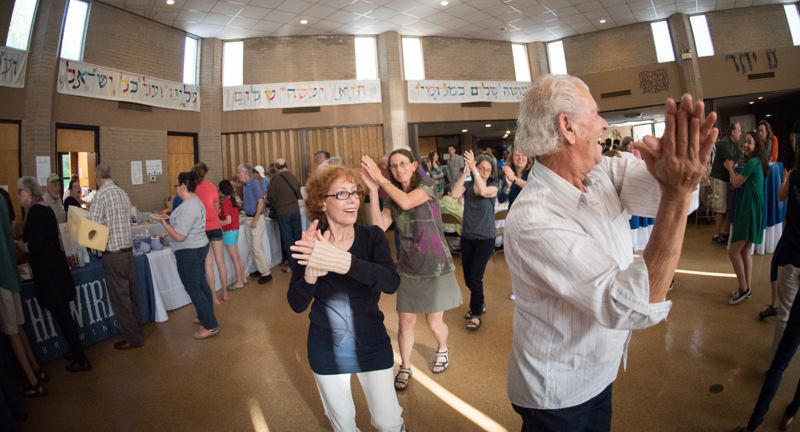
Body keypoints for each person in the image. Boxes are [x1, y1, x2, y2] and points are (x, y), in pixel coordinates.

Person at [506, 74, 718, 431]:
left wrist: (679, 175)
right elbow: (628, 303)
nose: (605, 124)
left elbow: (663, 196)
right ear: (567, 128)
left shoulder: (601, 172)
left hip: (600, 370)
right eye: (596, 114)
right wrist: (677, 191)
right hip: (557, 391)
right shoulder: (533, 220)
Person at [287, 166, 406, 432]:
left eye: (355, 192)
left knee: (389, 421)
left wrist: (343, 261)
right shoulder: (308, 244)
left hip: (372, 342)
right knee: (343, 424)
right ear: (321, 202)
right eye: (342, 193)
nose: (353, 199)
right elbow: (296, 304)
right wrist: (310, 275)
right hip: (326, 347)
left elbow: (390, 283)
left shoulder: (372, 237)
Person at [361, 150, 462, 391]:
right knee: (405, 323)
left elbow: (407, 201)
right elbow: (378, 226)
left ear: (414, 165)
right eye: (393, 166)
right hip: (408, 267)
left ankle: (442, 348)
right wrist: (374, 191)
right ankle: (405, 366)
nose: (398, 169)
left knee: (434, 322)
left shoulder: (427, 185)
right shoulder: (391, 197)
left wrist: (380, 178)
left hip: (435, 264)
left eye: (403, 163)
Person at [731, 164, 800, 432]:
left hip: (792, 256)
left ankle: (773, 368)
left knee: (784, 317)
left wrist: (787, 178)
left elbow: (782, 196)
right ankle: (792, 410)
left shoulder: (795, 174)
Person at [15, 176, 92, 372]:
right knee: (65, 316)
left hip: (50, 276)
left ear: (28, 192)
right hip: (56, 271)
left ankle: (81, 359)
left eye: (20, 193)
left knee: (64, 317)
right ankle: (76, 352)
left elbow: (37, 245)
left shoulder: (36, 212)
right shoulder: (44, 208)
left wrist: (22, 246)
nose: (19, 197)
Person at [88, 163, 144, 350]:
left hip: (113, 254)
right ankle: (137, 329)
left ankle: (132, 338)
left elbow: (93, 227)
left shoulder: (100, 195)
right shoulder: (122, 193)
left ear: (97, 179)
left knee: (120, 299)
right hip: (128, 252)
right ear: (110, 175)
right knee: (132, 295)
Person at [159, 172, 219, 339]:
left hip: (189, 251)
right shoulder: (195, 201)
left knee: (193, 288)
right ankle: (205, 315)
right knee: (201, 284)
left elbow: (179, 236)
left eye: (177, 185)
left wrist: (163, 223)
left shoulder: (188, 206)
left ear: (184, 186)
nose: (176, 188)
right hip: (199, 246)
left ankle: (209, 325)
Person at [0, 194, 47, 397]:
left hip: (2, 277)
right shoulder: (3, 198)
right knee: (18, 327)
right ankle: (36, 368)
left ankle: (33, 381)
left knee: (12, 331)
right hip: (11, 271)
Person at [449, 151, 499, 331]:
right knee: (468, 279)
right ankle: (481, 303)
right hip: (468, 237)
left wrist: (475, 171)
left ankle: (476, 313)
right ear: (475, 167)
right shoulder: (468, 185)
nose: (484, 172)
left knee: (475, 278)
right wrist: (466, 172)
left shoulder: (494, 185)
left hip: (485, 238)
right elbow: (454, 194)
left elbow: (483, 191)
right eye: (481, 168)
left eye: (487, 170)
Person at [726, 131, 769, 305]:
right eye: (744, 141)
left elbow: (736, 183)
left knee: (734, 251)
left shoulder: (752, 162)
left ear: (756, 146)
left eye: (749, 142)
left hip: (749, 209)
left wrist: (730, 168)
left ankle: (744, 289)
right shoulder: (755, 162)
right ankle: (747, 288)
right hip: (752, 206)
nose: (745, 144)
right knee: (745, 250)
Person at [192, 163, 229, 303]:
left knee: (208, 264)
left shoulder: (192, 188)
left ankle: (214, 297)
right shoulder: (212, 186)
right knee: (221, 261)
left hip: (201, 228)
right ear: (206, 173)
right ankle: (225, 293)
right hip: (215, 225)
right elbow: (216, 206)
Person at [237, 163, 272, 285]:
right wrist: (240, 203)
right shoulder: (245, 185)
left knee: (257, 247)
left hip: (255, 218)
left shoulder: (255, 184)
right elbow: (249, 202)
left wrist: (255, 220)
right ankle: (259, 269)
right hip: (247, 217)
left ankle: (266, 273)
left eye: (239, 172)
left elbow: (260, 203)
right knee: (251, 246)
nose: (237, 175)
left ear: (245, 173)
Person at [710, 122, 743, 245]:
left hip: (726, 178)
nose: (740, 133)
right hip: (719, 178)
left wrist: (736, 160)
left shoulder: (734, 144)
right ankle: (716, 235)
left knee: (728, 206)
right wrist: (741, 152)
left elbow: (737, 161)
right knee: (720, 207)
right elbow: (731, 159)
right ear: (732, 132)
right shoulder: (723, 143)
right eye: (738, 130)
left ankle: (725, 233)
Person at [268, 159, 303, 273]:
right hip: (295, 211)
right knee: (298, 239)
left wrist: (277, 204)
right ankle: (301, 263)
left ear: (276, 168)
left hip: (283, 213)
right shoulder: (294, 177)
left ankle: (293, 267)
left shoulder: (275, 180)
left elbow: (271, 197)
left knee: (288, 241)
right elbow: (298, 193)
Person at [218, 179, 246, 291]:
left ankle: (239, 281)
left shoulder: (225, 202)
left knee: (234, 257)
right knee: (237, 256)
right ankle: (243, 278)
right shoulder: (232, 200)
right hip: (235, 229)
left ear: (222, 191)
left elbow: (228, 220)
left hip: (229, 230)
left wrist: (218, 223)